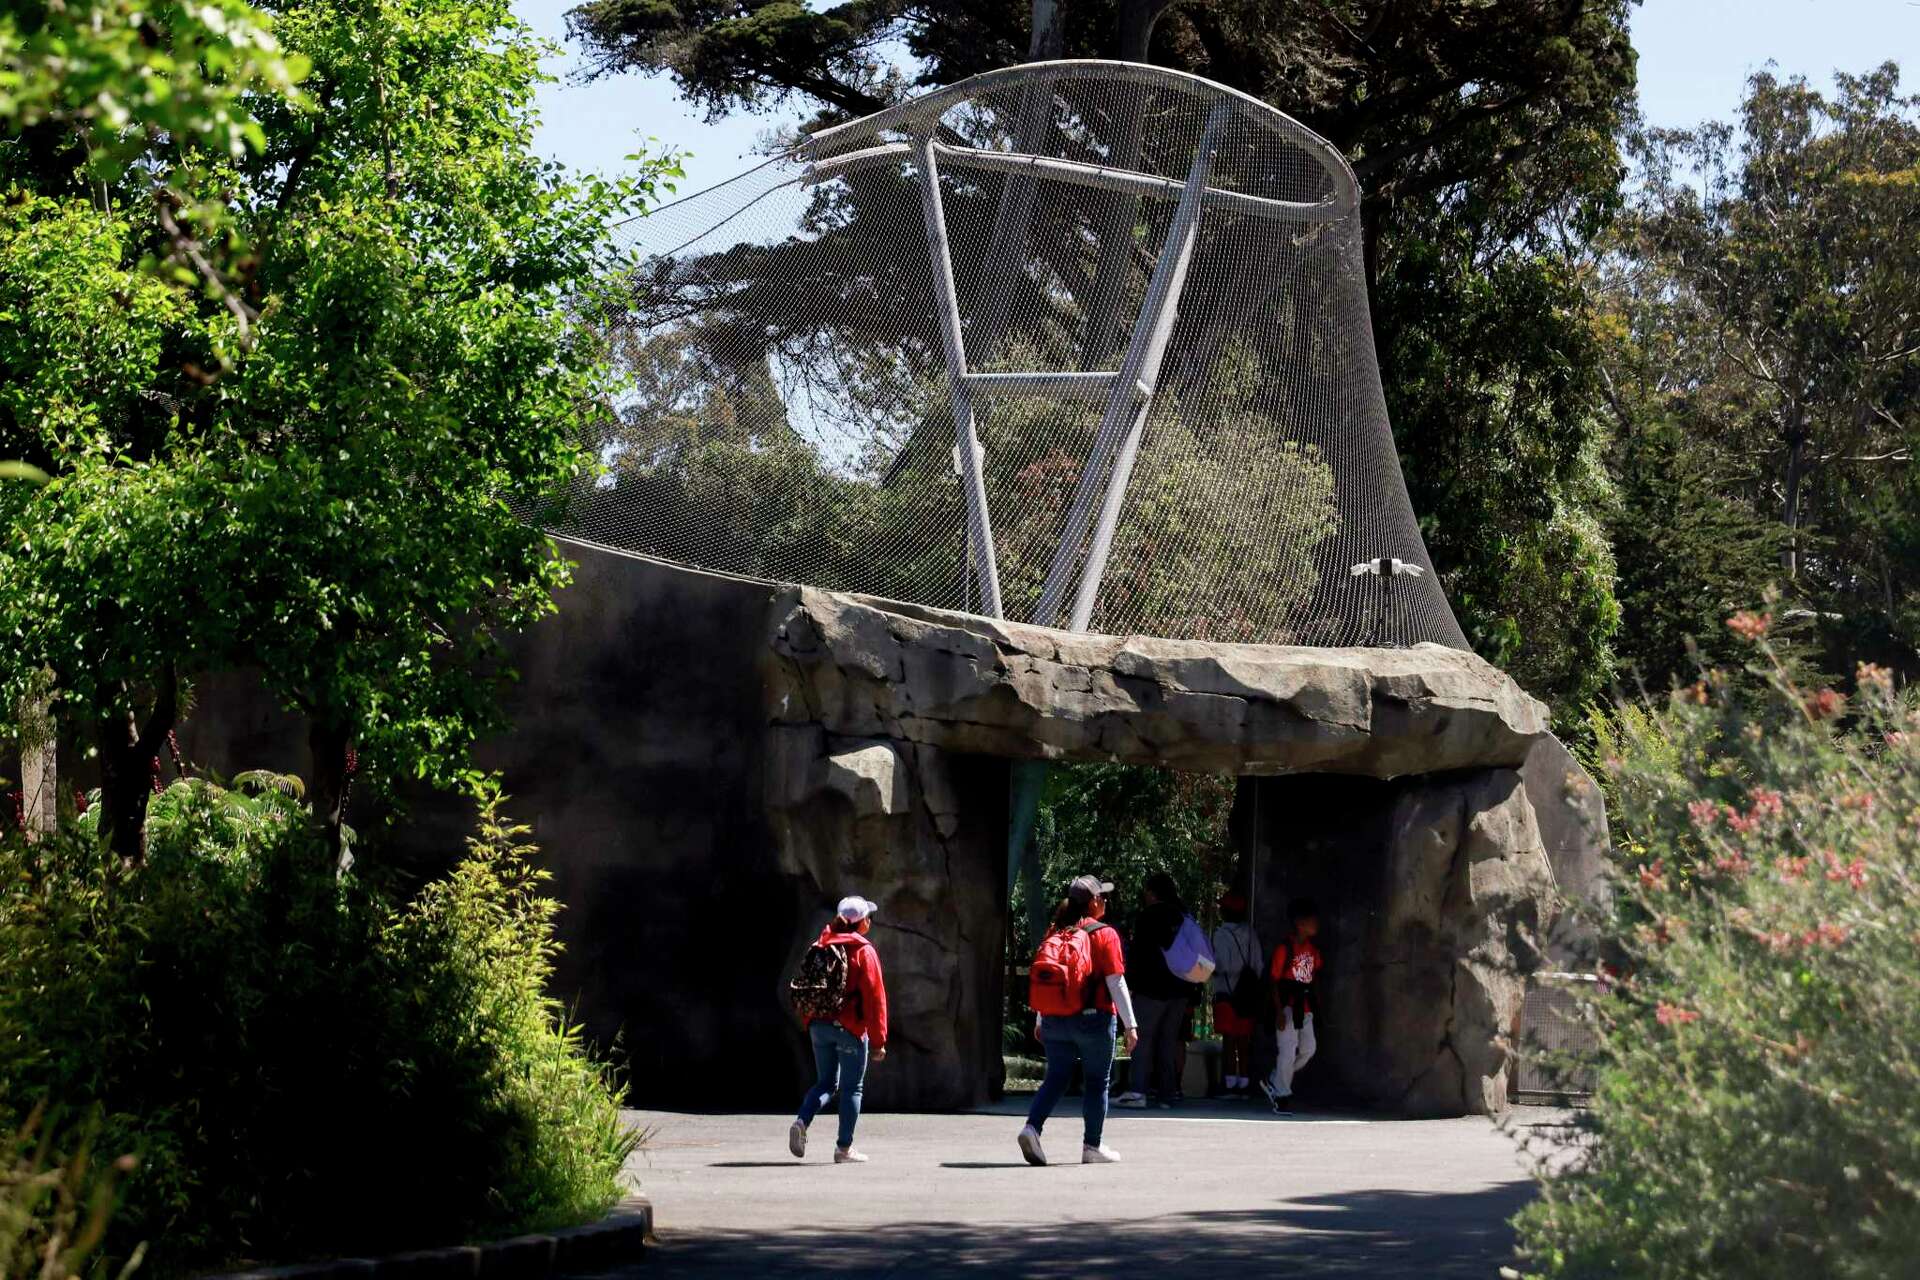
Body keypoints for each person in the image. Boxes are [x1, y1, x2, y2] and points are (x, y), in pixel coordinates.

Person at [1017, 875, 1139, 1166]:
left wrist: (1040, 1017)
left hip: (1055, 1019)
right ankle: (1091, 1146)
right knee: (1097, 1082)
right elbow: (1116, 983)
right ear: (1094, 902)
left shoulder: (1055, 929)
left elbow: (1046, 975)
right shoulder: (1105, 934)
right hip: (1094, 1021)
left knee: (1057, 1077)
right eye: (1103, 897)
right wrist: (1131, 1025)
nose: (1106, 901)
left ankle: (1031, 1128)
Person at [788, 895, 888, 1163]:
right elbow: (875, 998)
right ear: (862, 923)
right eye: (869, 916)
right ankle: (844, 1149)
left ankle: (801, 1122)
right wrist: (879, 1041)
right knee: (852, 1088)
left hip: (818, 1025)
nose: (870, 920)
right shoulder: (864, 952)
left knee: (825, 1083)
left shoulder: (821, 944)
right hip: (850, 1029)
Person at [1122, 870, 1190, 1108]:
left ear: (1152, 893)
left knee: (1142, 1039)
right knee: (1168, 1041)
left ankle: (1138, 1090)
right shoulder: (1182, 916)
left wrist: (1129, 986)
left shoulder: (1148, 916)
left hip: (1151, 989)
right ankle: (1167, 1094)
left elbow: (1138, 955)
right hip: (1180, 989)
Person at [1261, 896, 1322, 1115]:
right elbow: (1274, 981)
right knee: (1287, 1051)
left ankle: (1276, 1080)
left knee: (1308, 1049)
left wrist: (1315, 1006)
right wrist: (1278, 1011)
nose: (1316, 923)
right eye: (1311, 919)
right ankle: (1281, 1096)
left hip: (1304, 1010)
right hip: (1287, 1008)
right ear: (1299, 922)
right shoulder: (1284, 948)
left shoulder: (1313, 950)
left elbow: (1314, 976)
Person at [1209, 891, 1263, 1098]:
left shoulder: (1221, 934)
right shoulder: (1251, 933)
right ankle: (1245, 1085)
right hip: (1247, 995)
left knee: (1229, 1041)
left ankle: (1230, 1085)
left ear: (1225, 911)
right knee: (1244, 1041)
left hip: (1227, 993)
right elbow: (1259, 966)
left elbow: (1221, 965)